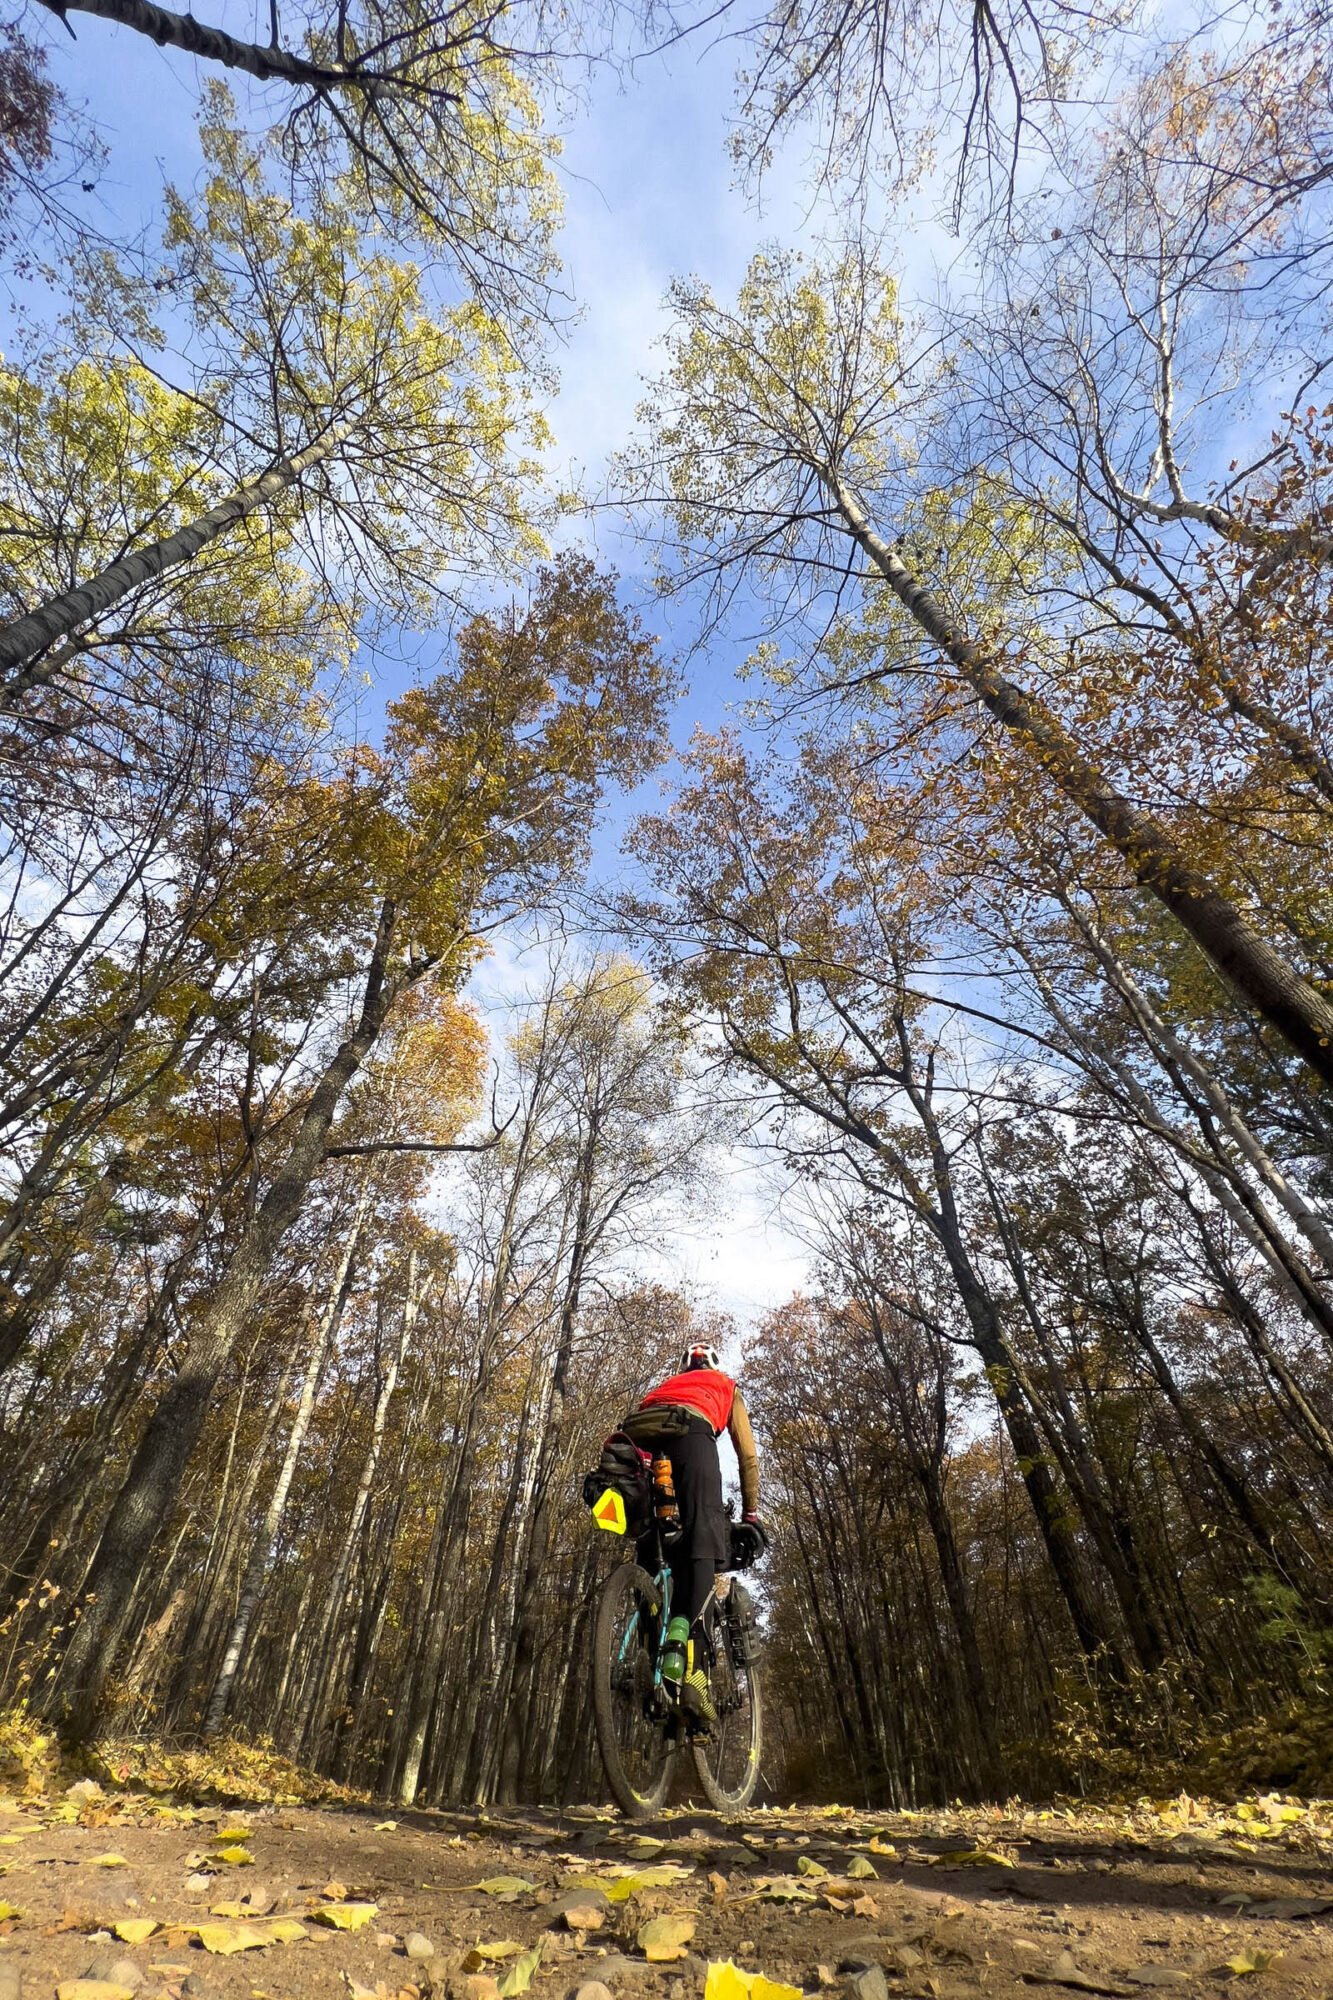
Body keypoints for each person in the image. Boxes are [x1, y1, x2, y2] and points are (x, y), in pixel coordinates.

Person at [626, 1342, 768, 1721]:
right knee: (702, 1547)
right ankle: (695, 1680)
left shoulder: (663, 1389)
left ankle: (650, 1662)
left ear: (684, 1367)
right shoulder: (724, 1385)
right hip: (693, 1443)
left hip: (639, 1450)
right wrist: (751, 1513)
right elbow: (748, 1455)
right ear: (712, 1365)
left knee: (654, 1558)